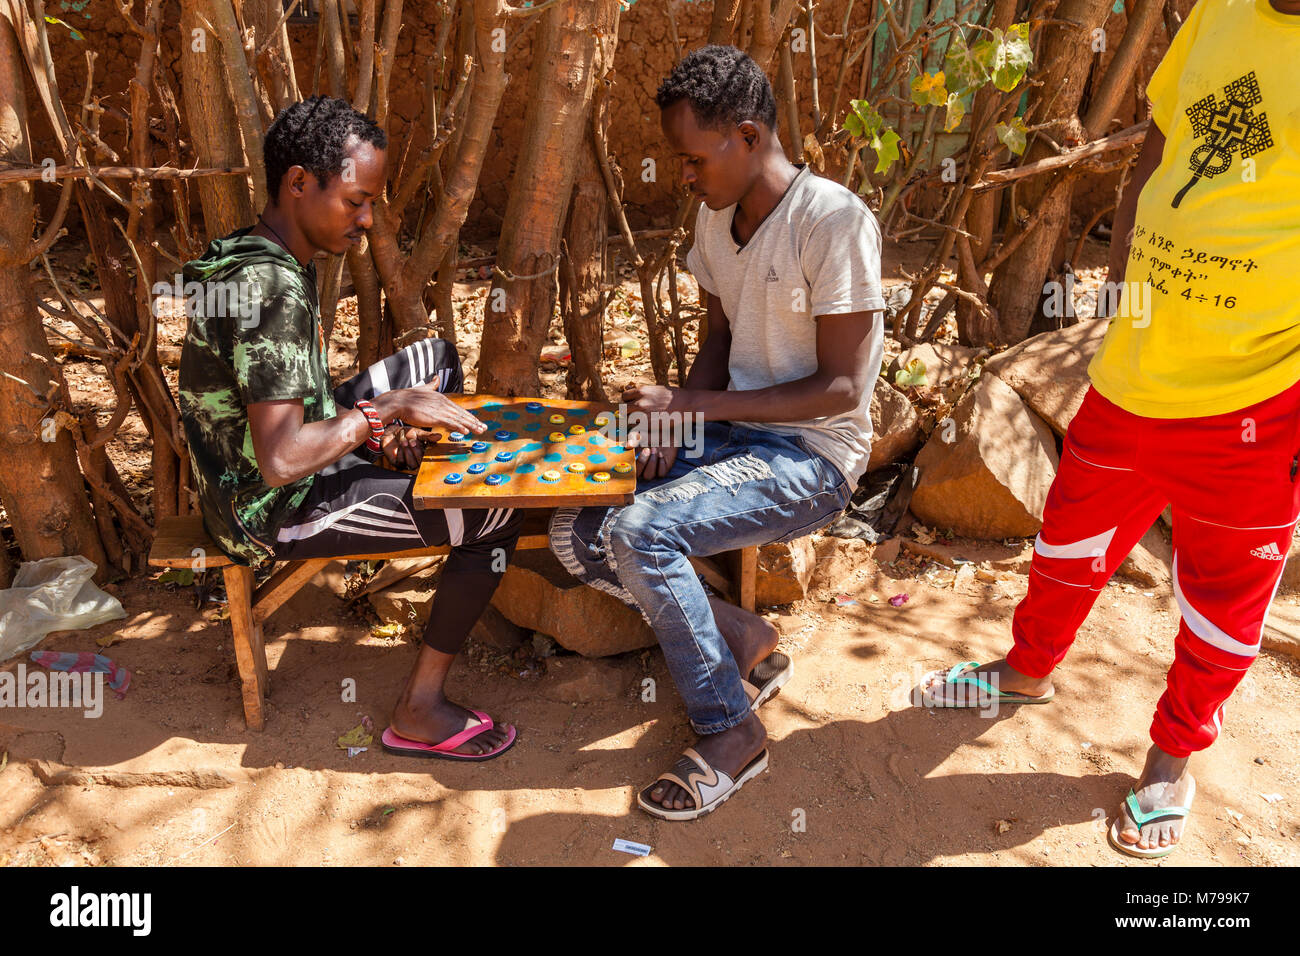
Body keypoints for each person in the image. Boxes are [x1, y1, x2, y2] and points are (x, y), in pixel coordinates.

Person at [922, 0, 1300, 858]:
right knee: (1070, 540)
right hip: (1135, 372)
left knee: (1224, 602)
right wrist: (1123, 285)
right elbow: (1161, 145)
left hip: (1257, 402)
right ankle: (1026, 670)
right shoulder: (1223, 11)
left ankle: (1172, 755)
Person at [550, 46, 886, 820]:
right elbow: (721, 336)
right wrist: (679, 410)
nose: (686, 177)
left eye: (693, 159)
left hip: (812, 455)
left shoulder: (832, 222)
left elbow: (841, 388)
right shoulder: (715, 216)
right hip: (736, 435)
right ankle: (740, 637)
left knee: (638, 534)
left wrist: (697, 407)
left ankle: (732, 733)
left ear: (748, 135)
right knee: (579, 528)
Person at [179, 96, 522, 760]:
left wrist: (377, 421)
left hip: (260, 459)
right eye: (356, 200)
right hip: (266, 506)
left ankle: (404, 475)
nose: (367, 219)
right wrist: (381, 416)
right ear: (300, 183)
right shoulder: (271, 290)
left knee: (435, 361)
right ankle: (420, 710)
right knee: (493, 514)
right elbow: (279, 460)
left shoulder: (257, 253)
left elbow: (279, 405)